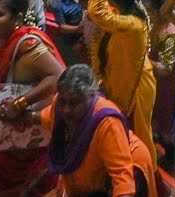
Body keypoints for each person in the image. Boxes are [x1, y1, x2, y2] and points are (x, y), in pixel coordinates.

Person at [0, 0, 64, 197]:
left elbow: (59, 76)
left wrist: (20, 103)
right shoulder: (6, 39)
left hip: (29, 146)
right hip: (13, 144)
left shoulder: (29, 46)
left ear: (17, 18)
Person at [89, 0, 158, 164]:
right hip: (121, 74)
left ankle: (147, 176)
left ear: (113, 1)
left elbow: (98, 13)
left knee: (140, 138)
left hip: (136, 86)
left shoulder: (132, 24)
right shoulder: (125, 9)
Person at [45, 64, 157, 197]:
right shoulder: (59, 106)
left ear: (90, 98)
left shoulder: (107, 123)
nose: (66, 110)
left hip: (128, 170)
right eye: (63, 102)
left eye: (74, 103)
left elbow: (123, 178)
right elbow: (43, 117)